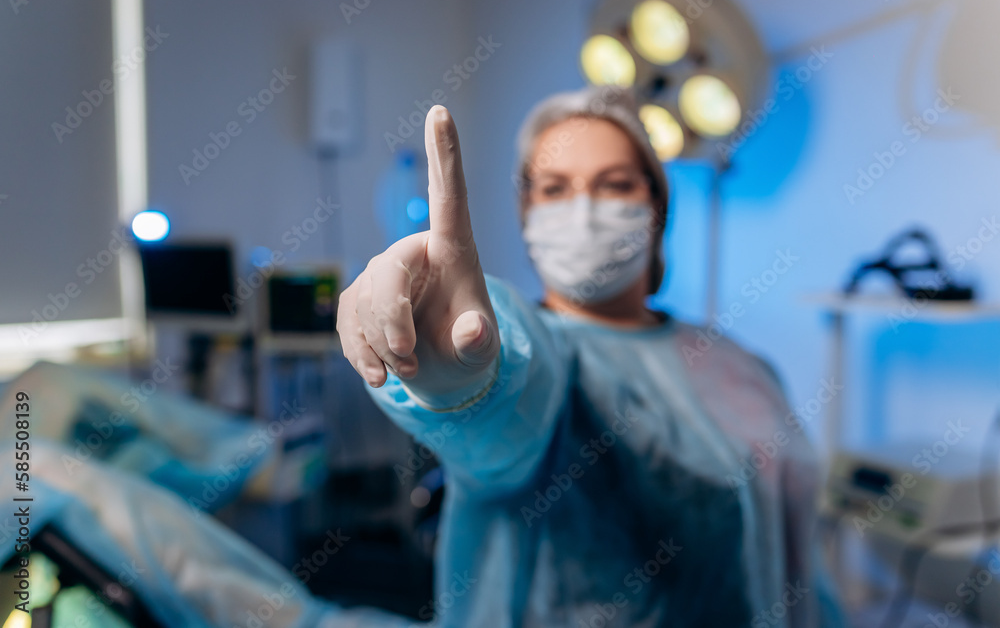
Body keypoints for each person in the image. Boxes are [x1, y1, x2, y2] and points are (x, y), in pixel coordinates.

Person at [337, 86, 840, 627]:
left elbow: (800, 563)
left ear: (657, 207)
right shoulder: (539, 351)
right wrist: (466, 384)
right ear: (527, 214)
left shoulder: (741, 364)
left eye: (615, 184)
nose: (584, 210)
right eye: (555, 189)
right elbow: (511, 403)